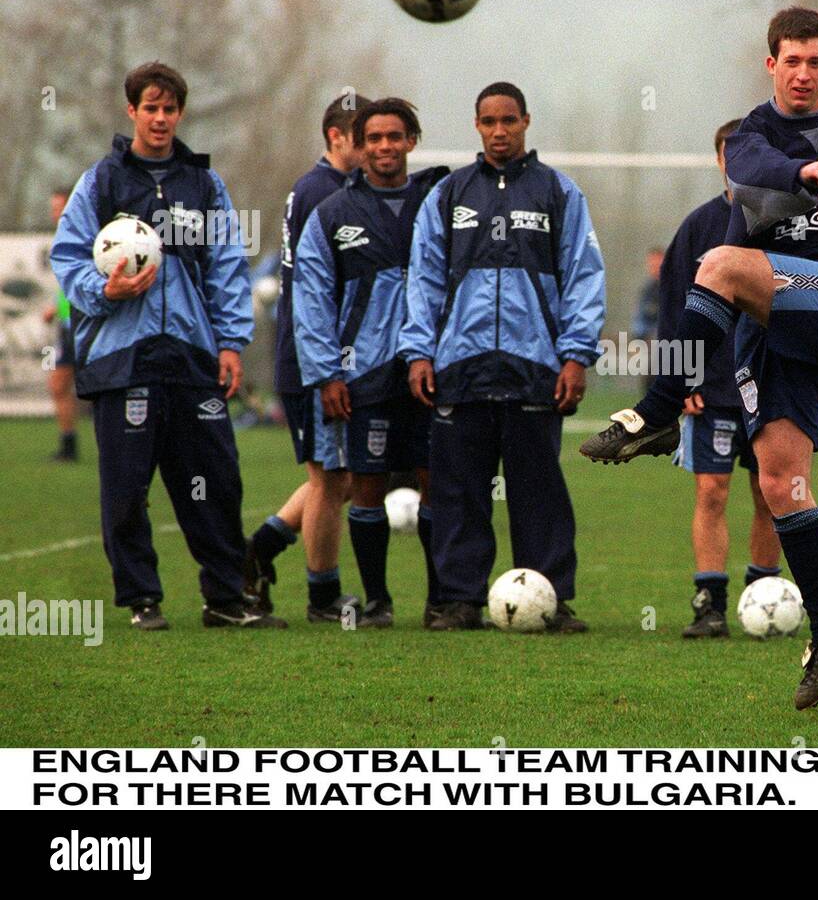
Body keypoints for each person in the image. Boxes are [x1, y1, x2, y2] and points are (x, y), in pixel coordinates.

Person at [580, 8, 818, 709]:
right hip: (774, 332)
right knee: (784, 485)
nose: (803, 72)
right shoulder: (755, 138)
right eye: (792, 60)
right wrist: (798, 169)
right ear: (771, 64)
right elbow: (754, 165)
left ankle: (658, 412)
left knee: (721, 262)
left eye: (816, 61)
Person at [50, 60, 284, 630]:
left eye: (169, 108)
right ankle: (142, 600)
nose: (159, 118)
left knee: (214, 481)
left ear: (180, 113)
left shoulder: (203, 184)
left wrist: (230, 344)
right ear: (132, 110)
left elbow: (228, 267)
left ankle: (226, 599)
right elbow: (68, 257)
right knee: (127, 488)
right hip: (120, 358)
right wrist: (105, 290)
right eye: (149, 108)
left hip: (190, 357)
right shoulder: (102, 181)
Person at [401, 82, 606, 632]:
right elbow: (422, 280)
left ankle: (550, 598)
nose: (499, 131)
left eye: (509, 120)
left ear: (525, 122)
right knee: (457, 491)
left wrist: (575, 356)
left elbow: (584, 278)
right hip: (459, 369)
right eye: (489, 121)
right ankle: (458, 599)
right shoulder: (448, 194)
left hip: (534, 367)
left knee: (538, 491)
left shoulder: (559, 193)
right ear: (476, 125)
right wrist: (419, 351)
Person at [293, 97, 448, 628]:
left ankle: (440, 599)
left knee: (436, 479)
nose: (384, 147)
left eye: (394, 137)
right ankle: (378, 600)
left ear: (411, 141)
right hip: (362, 373)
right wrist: (325, 372)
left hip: (430, 366)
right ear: (358, 145)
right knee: (366, 483)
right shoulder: (332, 214)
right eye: (373, 138)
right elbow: (310, 298)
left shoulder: (439, 201)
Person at [241, 93, 372, 616]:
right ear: (336, 137)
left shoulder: (334, 188)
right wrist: (324, 364)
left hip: (331, 357)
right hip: (314, 360)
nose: (372, 148)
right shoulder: (322, 191)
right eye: (363, 137)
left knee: (344, 477)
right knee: (331, 478)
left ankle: (260, 549)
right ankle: (322, 596)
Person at [661, 119, 783, 639]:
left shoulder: (789, 224)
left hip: (774, 386)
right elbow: (672, 310)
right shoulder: (696, 227)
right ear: (719, 162)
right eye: (728, 158)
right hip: (709, 390)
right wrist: (679, 380)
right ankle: (710, 604)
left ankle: (765, 599)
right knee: (711, 491)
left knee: (771, 493)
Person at [43, 187, 79, 461]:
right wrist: (56, 308)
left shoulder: (83, 237)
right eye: (54, 208)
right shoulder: (62, 239)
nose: (56, 214)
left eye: (61, 208)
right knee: (57, 385)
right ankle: (68, 444)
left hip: (82, 325)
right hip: (66, 325)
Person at [630, 247, 663, 393]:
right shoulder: (648, 290)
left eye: (658, 263)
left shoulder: (674, 287)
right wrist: (640, 336)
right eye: (652, 264)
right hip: (651, 341)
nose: (654, 268)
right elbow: (640, 319)